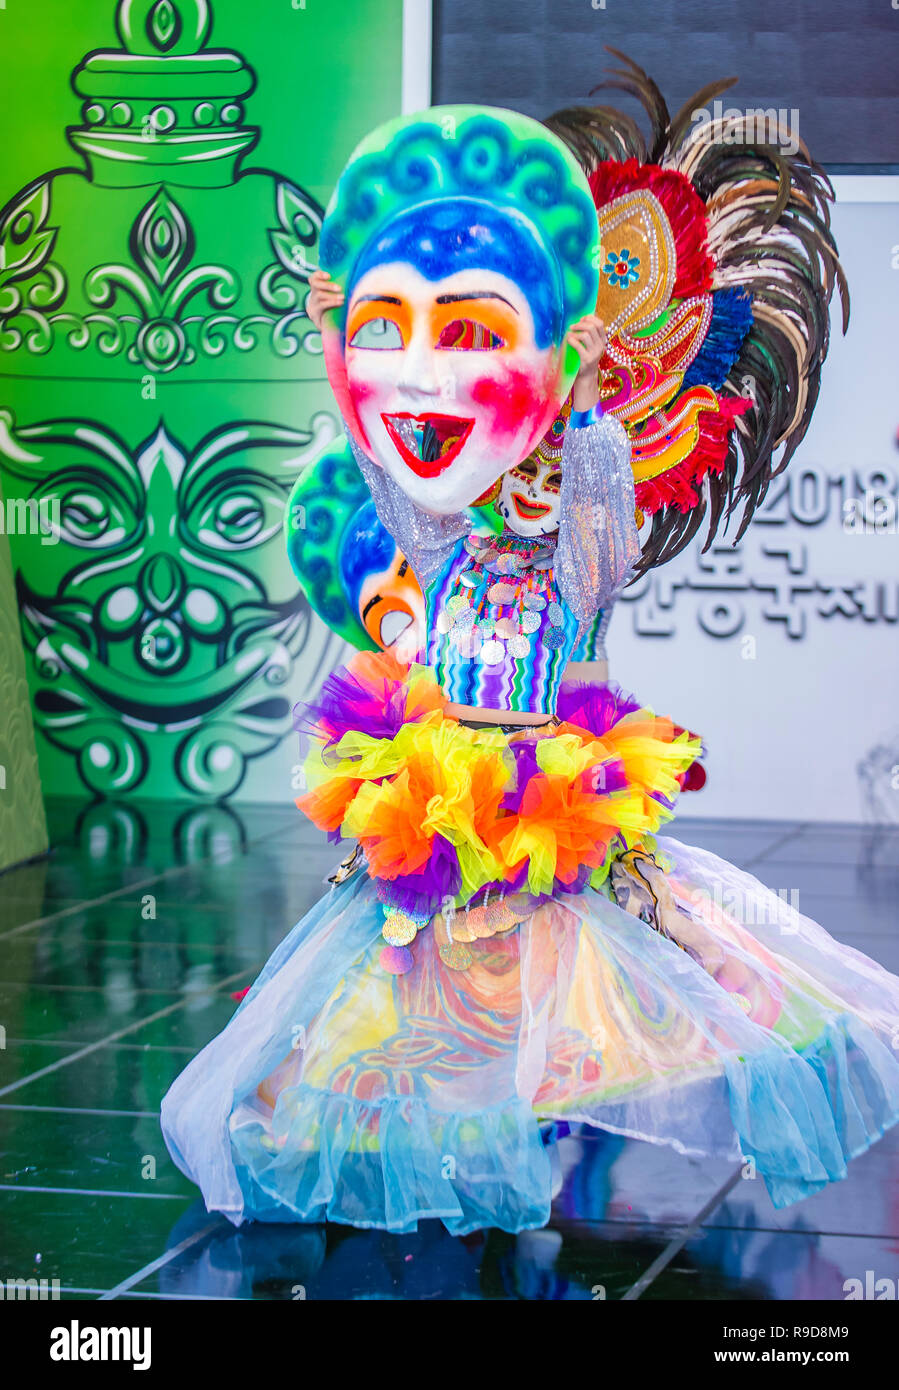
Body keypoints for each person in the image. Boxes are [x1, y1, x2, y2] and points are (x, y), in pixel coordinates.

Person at [162, 100, 899, 1235]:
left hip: (538, 805)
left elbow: (601, 493)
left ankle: (538, 1140)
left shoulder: (576, 569)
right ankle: (451, 1145)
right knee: (412, 999)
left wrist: (588, 394)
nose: (534, 485)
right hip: (434, 799)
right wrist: (340, 336)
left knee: (556, 998)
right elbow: (384, 443)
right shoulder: (437, 547)